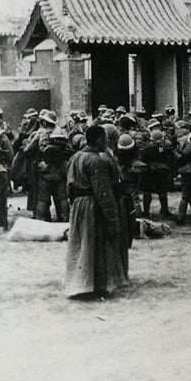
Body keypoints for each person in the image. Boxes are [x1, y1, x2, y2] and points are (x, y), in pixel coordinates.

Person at [65, 125, 128, 298]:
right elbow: (103, 192)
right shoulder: (96, 161)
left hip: (78, 204)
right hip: (92, 205)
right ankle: (94, 285)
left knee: (80, 243)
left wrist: (73, 205)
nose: (106, 143)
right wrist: (111, 217)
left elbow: (68, 186)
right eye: (105, 139)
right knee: (95, 245)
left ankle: (78, 283)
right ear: (99, 140)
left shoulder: (75, 157)